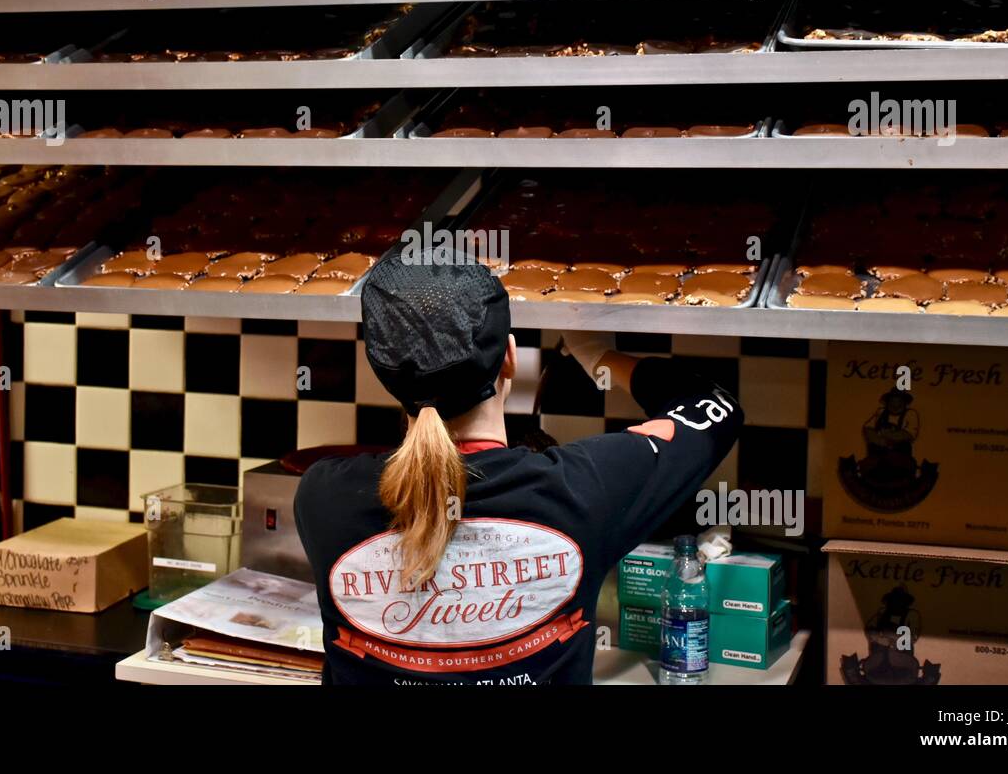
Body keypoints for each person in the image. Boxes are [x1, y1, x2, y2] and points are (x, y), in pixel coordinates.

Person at [294, 249, 742, 685]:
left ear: (383, 373)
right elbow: (715, 408)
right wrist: (599, 357)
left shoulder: (323, 498)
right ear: (510, 357)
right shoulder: (590, 489)